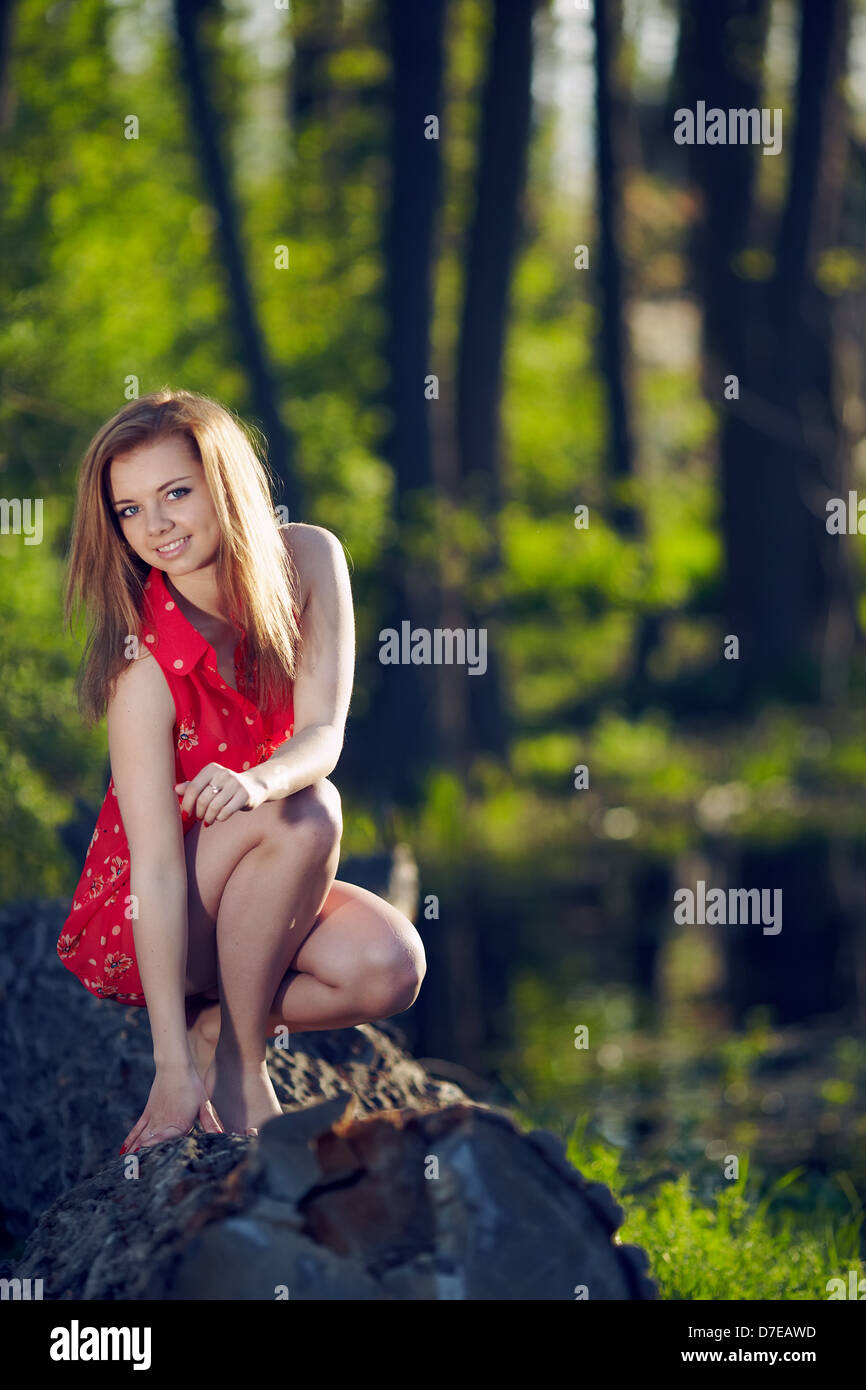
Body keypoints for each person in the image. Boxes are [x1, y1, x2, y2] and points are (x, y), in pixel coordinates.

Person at [57, 388, 426, 1151]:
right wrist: (167, 1067)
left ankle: (222, 1028)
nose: (155, 526)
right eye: (129, 510)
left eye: (175, 494)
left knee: (388, 967)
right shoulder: (143, 671)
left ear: (224, 482)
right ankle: (237, 1067)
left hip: (263, 879)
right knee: (310, 812)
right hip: (150, 918)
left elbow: (324, 733)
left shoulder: (312, 561)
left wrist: (258, 780)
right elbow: (155, 872)